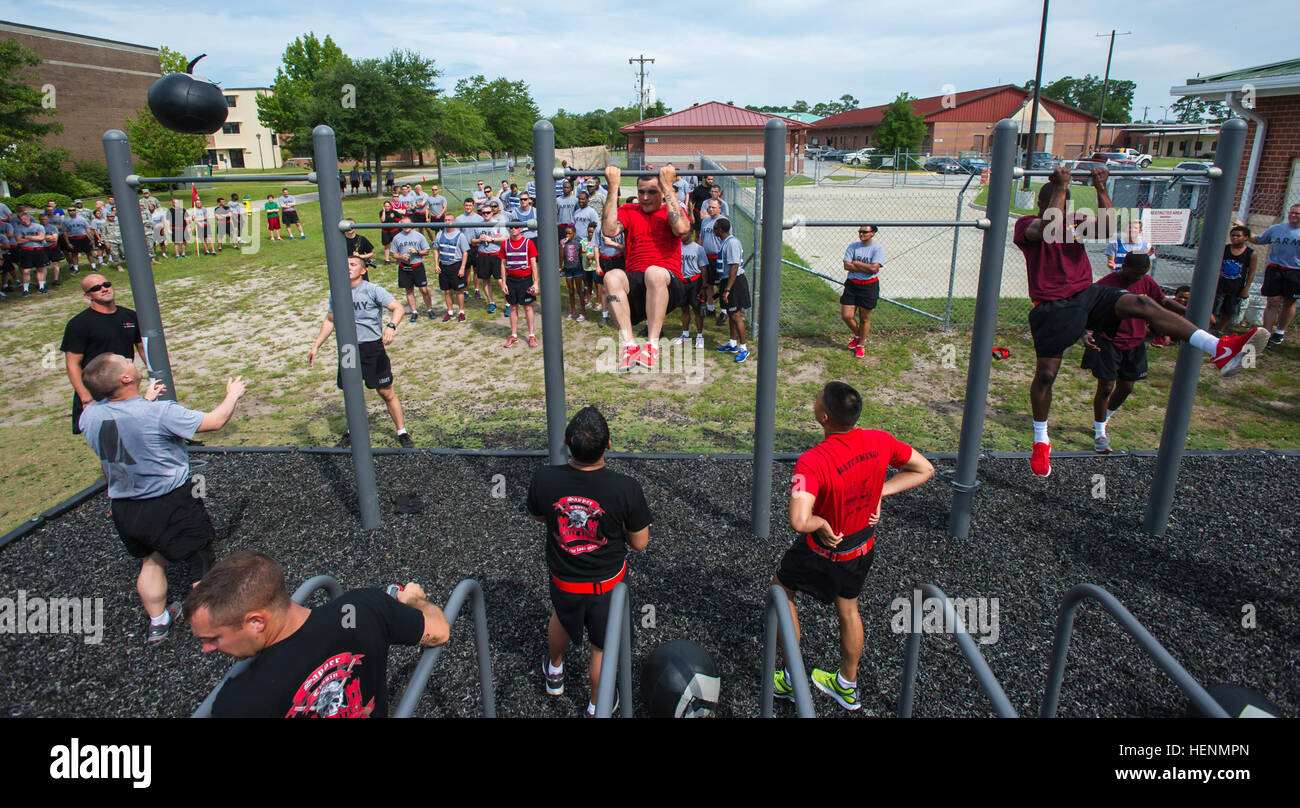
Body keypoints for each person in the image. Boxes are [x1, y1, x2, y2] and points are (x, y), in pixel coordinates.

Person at [1012, 165, 1266, 477]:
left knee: (1143, 303)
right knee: (1046, 375)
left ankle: (1220, 349)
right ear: (1047, 203)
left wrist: (1101, 187)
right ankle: (1041, 441)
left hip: (1087, 295)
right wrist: (1062, 189)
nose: (1065, 208)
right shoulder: (1027, 225)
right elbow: (1049, 228)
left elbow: (1106, 227)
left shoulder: (1074, 222)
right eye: (1061, 202)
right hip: (1052, 306)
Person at [770, 381, 934, 711]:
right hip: (862, 547)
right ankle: (847, 685)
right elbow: (925, 468)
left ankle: (791, 678)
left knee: (781, 589)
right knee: (848, 609)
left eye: (817, 399)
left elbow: (800, 521)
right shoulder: (880, 440)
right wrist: (880, 493)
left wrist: (820, 523)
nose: (814, 401)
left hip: (824, 550)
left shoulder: (812, 461)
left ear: (824, 417)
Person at [77, 353, 246, 644]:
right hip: (169, 502)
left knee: (152, 560)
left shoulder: (89, 416)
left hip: (126, 506)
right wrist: (233, 395)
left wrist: (144, 400)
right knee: (200, 561)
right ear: (124, 379)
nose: (130, 359)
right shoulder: (161, 413)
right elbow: (215, 421)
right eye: (124, 360)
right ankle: (212, 624)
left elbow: (126, 425)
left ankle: (158, 621)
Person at [186, 550, 450, 717]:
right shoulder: (364, 608)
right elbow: (439, 630)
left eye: (212, 638)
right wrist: (414, 600)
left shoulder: (238, 703)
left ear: (256, 622)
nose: (206, 649)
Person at [527, 406, 650, 716]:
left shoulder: (544, 478)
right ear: (608, 445)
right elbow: (639, 543)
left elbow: (538, 514)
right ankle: (598, 704)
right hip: (606, 584)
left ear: (567, 442)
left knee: (562, 618)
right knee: (602, 646)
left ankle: (555, 672)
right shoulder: (627, 489)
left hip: (564, 579)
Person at [1083, 253, 1185, 453]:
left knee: (1126, 387)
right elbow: (1087, 308)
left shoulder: (1147, 283)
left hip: (1135, 342)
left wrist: (1187, 311)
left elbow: (1162, 302)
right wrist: (1086, 333)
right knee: (1105, 387)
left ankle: (1106, 417)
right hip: (1108, 341)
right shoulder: (1106, 283)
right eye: (1136, 273)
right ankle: (1100, 433)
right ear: (1124, 267)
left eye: (1143, 273)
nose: (1139, 277)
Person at [308, 255, 413, 448]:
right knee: (351, 393)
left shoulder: (372, 290)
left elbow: (398, 308)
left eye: (353, 264)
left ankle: (402, 431)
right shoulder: (337, 292)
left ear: (363, 270)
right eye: (345, 264)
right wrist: (316, 345)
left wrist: (391, 326)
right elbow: (330, 320)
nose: (348, 267)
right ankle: (353, 431)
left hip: (372, 348)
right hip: (348, 349)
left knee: (386, 392)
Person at [600, 164, 691, 372]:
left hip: (668, 281)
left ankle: (652, 345)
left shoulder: (671, 211)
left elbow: (682, 229)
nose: (646, 198)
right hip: (638, 283)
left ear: (662, 192)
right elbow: (609, 229)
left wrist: (668, 186)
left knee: (654, 272)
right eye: (641, 192)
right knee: (612, 276)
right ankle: (629, 345)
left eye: (652, 192)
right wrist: (613, 188)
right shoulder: (629, 211)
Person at [62, 274, 147, 434]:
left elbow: (141, 346)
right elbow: (72, 364)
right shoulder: (79, 324)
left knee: (131, 430)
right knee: (109, 437)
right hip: (98, 389)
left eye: (106, 284)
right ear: (88, 296)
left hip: (125, 385)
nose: (104, 289)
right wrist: (86, 399)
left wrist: (155, 371)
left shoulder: (129, 316)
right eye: (96, 288)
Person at [1237, 204, 1300, 346]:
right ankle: (1266, 333)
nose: (1293, 215)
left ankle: (1280, 332)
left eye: (1297, 213)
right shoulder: (1276, 229)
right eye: (1292, 213)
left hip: (1295, 271)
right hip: (1275, 269)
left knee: (1289, 302)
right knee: (1272, 301)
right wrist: (1243, 229)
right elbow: (1257, 239)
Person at [841, 225, 884, 359]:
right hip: (852, 285)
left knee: (864, 318)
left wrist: (856, 263)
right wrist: (866, 267)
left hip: (869, 287)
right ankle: (858, 335)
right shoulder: (853, 246)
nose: (861, 234)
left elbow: (874, 269)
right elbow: (846, 265)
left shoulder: (878, 249)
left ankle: (860, 345)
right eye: (860, 231)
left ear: (872, 233)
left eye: (865, 232)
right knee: (846, 316)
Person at [712, 219, 751, 362]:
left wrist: (727, 289)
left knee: (736, 316)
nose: (713, 231)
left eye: (715, 228)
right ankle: (732, 343)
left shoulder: (732, 243)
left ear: (720, 230)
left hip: (734, 283)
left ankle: (743, 348)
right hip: (727, 281)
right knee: (730, 313)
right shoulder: (725, 242)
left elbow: (734, 267)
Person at [500, 222, 540, 348]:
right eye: (511, 227)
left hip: (525, 280)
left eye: (515, 227)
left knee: (527, 307)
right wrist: (503, 282)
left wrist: (535, 282)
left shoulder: (528, 243)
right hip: (511, 280)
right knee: (513, 307)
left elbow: (533, 263)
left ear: (520, 229)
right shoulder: (505, 244)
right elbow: (503, 263)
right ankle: (514, 335)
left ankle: (531, 335)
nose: (513, 229)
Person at [1212, 225, 1257, 333]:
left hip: (1236, 287)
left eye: (1238, 236)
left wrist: (1246, 288)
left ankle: (1220, 330)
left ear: (1246, 237)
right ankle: (1208, 327)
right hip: (1220, 285)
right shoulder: (1224, 249)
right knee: (1214, 307)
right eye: (1232, 235)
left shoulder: (1251, 253)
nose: (1235, 238)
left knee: (1228, 310)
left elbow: (1251, 272)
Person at [390, 217, 434, 322]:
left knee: (423, 289)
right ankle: (414, 311)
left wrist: (417, 252)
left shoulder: (419, 236)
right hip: (404, 267)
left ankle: (429, 309)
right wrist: (401, 257)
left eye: (407, 224)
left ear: (412, 224)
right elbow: (393, 253)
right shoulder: (397, 238)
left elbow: (427, 251)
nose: (405, 226)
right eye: (403, 224)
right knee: (409, 290)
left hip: (417, 266)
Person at [672, 230, 707, 349]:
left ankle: (699, 336)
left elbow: (703, 268)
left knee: (697, 309)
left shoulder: (698, 248)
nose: (682, 236)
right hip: (682, 281)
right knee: (684, 308)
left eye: (685, 234)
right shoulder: (677, 247)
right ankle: (685, 335)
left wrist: (704, 286)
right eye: (681, 234)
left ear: (691, 233)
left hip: (695, 281)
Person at [435, 213, 470, 321]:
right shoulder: (439, 234)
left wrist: (462, 267)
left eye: (449, 220)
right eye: (445, 220)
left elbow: (465, 252)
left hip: (455, 265)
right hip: (443, 266)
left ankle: (461, 311)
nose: (447, 222)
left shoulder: (460, 236)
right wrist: (436, 264)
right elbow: (436, 249)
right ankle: (450, 312)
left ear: (454, 221)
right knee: (447, 291)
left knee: (458, 290)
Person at [472, 202, 505, 314]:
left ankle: (508, 303)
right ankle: (491, 302)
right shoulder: (478, 225)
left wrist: (491, 239)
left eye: (488, 212)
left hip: (495, 255)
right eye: (483, 213)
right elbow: (472, 240)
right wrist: (479, 240)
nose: (485, 214)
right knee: (485, 280)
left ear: (492, 212)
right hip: (483, 255)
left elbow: (505, 238)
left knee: (500, 280)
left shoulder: (498, 224)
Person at [13, 209, 49, 296]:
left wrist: (27, 237)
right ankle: (25, 289)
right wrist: (34, 237)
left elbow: (41, 238)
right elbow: (19, 241)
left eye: (25, 219)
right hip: (26, 250)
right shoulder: (18, 228)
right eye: (22, 220)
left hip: (38, 250)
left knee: (40, 269)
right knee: (26, 270)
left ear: (29, 217)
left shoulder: (38, 226)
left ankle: (41, 287)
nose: (24, 221)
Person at [699, 199, 724, 318]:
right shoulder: (705, 221)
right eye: (709, 207)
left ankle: (724, 311)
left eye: (713, 207)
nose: (710, 209)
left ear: (720, 208)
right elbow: (701, 237)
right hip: (706, 257)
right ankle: (710, 308)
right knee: (708, 284)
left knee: (720, 285)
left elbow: (727, 240)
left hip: (717, 257)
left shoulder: (723, 221)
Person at [561, 225, 586, 320]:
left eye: (569, 233)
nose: (567, 235)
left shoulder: (578, 244)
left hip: (577, 269)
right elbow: (561, 256)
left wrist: (582, 269)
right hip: (567, 269)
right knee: (571, 291)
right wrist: (562, 247)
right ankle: (573, 311)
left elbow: (580, 256)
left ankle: (583, 312)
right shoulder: (563, 244)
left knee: (579, 290)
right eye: (566, 233)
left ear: (574, 234)